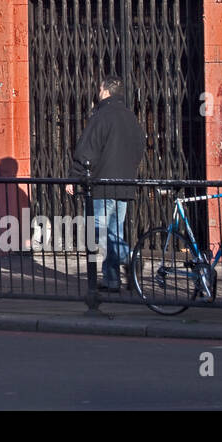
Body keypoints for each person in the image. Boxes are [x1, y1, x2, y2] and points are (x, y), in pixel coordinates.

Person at [69, 75, 146, 292]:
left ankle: (130, 257)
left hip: (103, 185)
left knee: (96, 232)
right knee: (114, 233)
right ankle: (112, 281)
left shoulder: (102, 115)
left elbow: (87, 150)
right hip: (125, 184)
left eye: (99, 89)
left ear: (105, 91)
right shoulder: (131, 117)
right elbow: (140, 147)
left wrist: (75, 176)